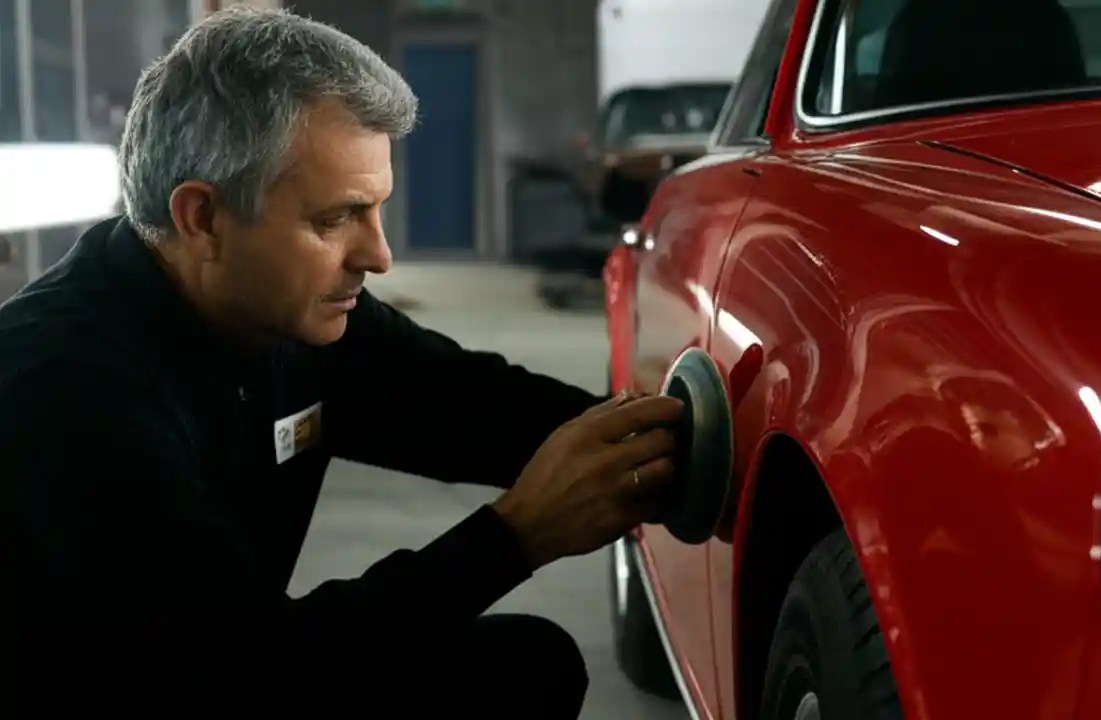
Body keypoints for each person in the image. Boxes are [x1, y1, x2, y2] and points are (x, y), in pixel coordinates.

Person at [0, 6, 682, 714]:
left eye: (376, 210)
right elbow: (241, 671)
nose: (378, 256)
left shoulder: (289, 319)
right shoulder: (62, 390)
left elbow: (474, 404)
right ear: (202, 217)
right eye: (334, 220)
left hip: (220, 666)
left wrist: (677, 445)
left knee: (523, 666)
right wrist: (515, 536)